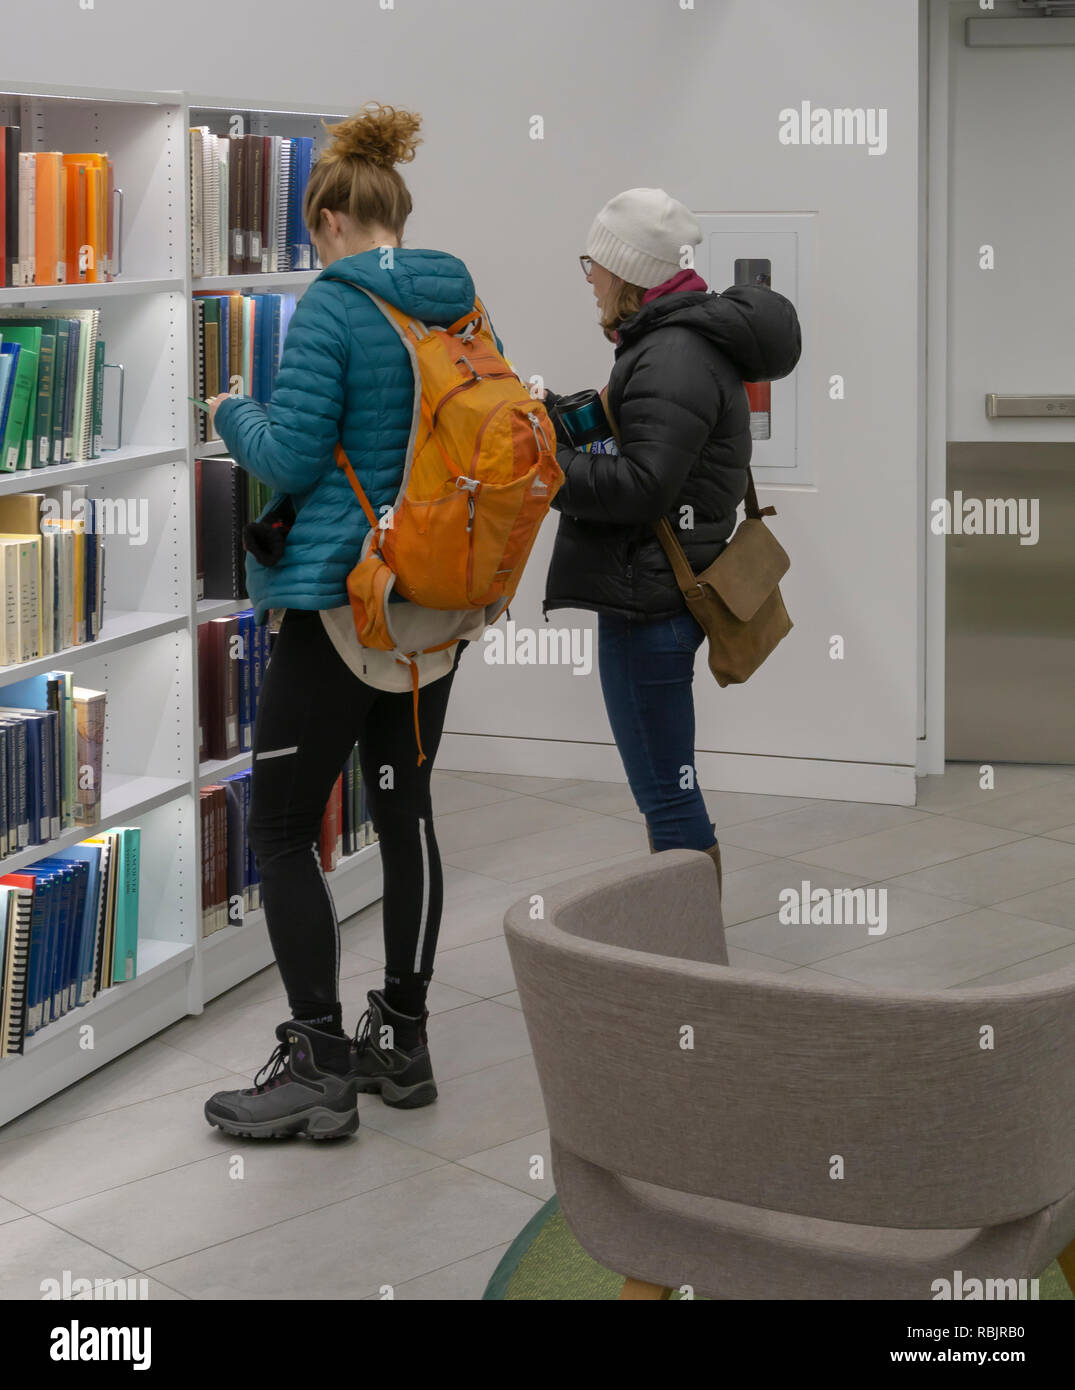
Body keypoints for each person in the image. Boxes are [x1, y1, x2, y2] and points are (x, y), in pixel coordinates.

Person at [200, 104, 496, 1141]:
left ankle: (317, 1061)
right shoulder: (461, 304)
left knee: (282, 826)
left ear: (326, 216)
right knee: (405, 805)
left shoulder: (331, 304)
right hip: (434, 601)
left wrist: (228, 411)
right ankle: (401, 1043)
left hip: (337, 601)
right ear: (395, 216)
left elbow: (285, 458)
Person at [542, 188, 801, 890]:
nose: (589, 277)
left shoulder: (669, 354)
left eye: (593, 264)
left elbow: (641, 488)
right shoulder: (676, 342)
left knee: (667, 792)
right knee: (667, 785)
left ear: (627, 272)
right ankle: (687, 943)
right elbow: (652, 446)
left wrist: (541, 469)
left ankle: (690, 954)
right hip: (662, 587)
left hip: (646, 602)